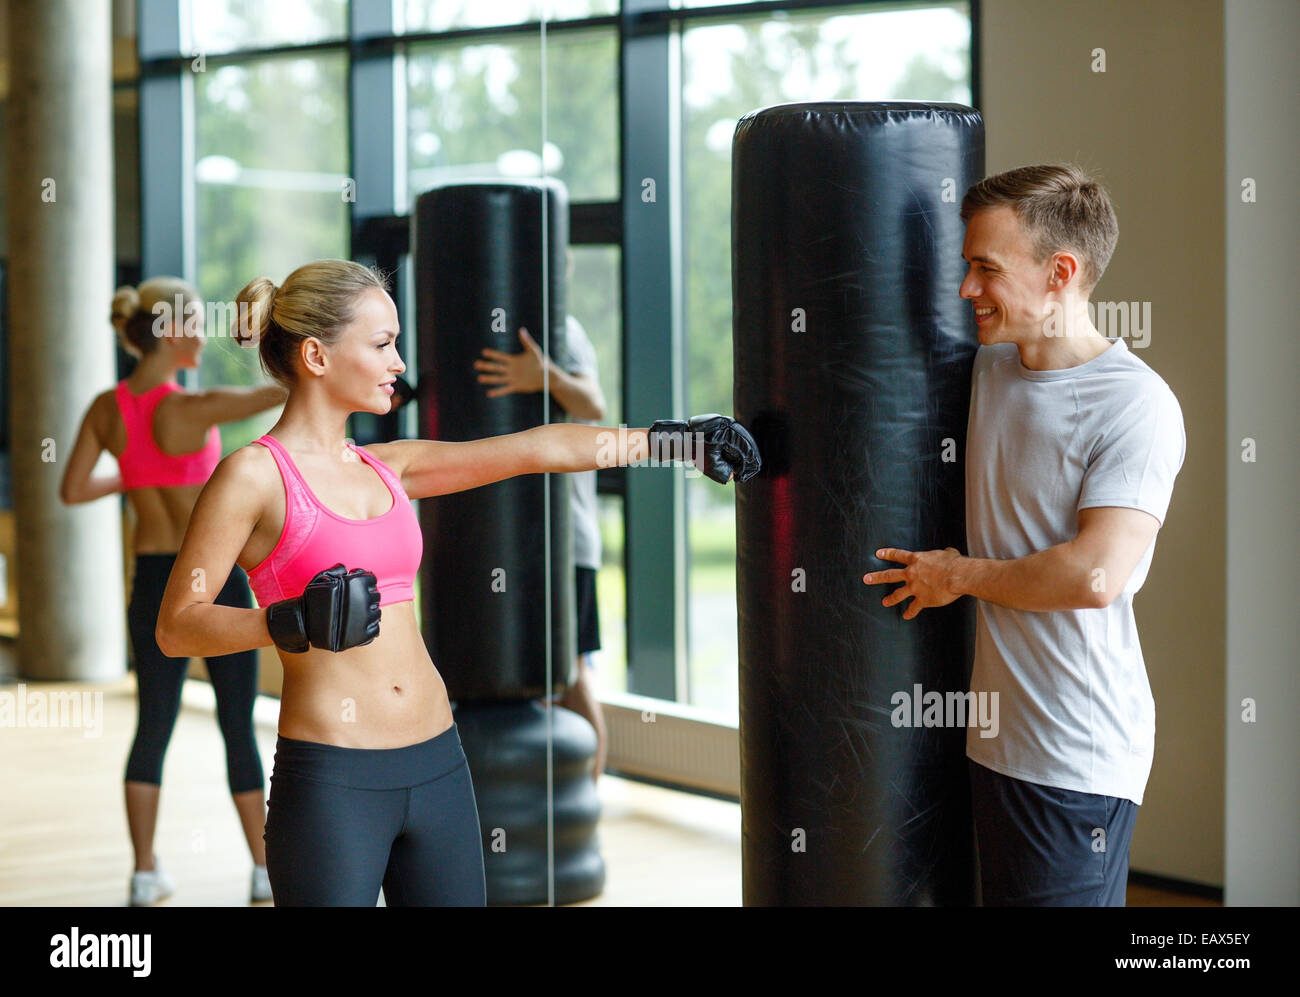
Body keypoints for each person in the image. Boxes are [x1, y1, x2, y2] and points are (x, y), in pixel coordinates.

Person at [153, 259, 759, 906]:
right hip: (334, 776)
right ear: (316, 356)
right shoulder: (251, 477)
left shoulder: (389, 466)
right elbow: (176, 623)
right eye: (382, 344)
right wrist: (286, 621)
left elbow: (537, 448)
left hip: (438, 761)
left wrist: (675, 442)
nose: (399, 364)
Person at [863, 164, 1185, 906]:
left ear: (1060, 273)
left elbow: (1093, 576)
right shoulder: (989, 370)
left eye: (986, 269)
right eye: (965, 266)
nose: (966, 289)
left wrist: (958, 576)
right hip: (994, 741)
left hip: (1076, 751)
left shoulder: (1137, 405)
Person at [59, 277, 288, 906]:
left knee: (153, 726)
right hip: (210, 581)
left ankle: (143, 872)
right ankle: (265, 870)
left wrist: (134, 475)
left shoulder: (107, 408)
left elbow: (73, 489)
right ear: (168, 331)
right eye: (193, 319)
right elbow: (280, 389)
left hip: (151, 581)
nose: (201, 332)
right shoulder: (194, 405)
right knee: (236, 725)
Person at [473, 308, 609, 781]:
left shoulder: (564, 328)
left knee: (572, 675)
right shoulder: (471, 320)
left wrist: (543, 376)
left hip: (567, 542)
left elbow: (595, 404)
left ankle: (587, 797)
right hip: (501, 543)